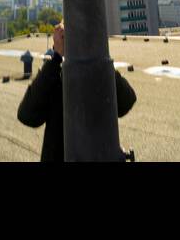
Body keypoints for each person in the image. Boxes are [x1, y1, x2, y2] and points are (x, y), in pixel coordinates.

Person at [16, 21, 135, 161]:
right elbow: (27, 115)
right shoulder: (56, 79)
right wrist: (56, 59)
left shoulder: (98, 74)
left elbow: (126, 101)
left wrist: (98, 55)